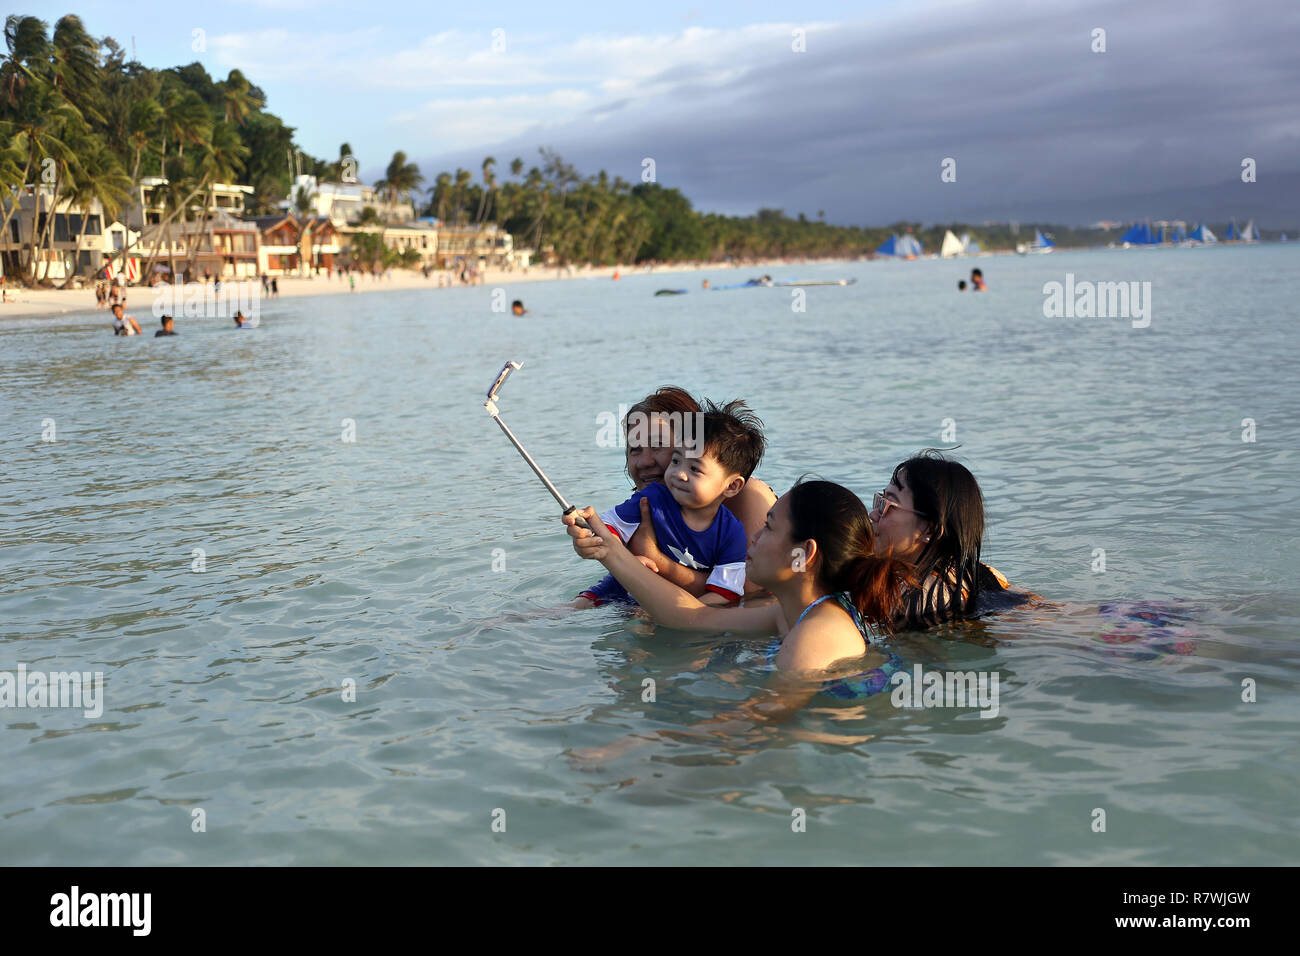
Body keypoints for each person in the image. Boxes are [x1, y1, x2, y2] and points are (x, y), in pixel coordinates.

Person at [564, 479, 911, 675]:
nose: (754, 537)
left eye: (770, 526)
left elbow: (761, 724)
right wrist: (610, 551)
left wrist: (644, 745)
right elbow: (692, 616)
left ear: (802, 554)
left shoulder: (816, 634)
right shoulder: (793, 612)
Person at [576, 400, 764, 608]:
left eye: (694, 468)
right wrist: (590, 535)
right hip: (629, 592)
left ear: (732, 485)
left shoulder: (734, 526)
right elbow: (607, 526)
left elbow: (731, 592)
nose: (680, 473)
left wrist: (680, 615)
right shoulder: (654, 497)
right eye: (676, 461)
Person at [867, 451, 1022, 628]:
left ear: (930, 530)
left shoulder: (915, 602)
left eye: (888, 506)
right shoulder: (986, 574)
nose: (873, 514)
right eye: (880, 500)